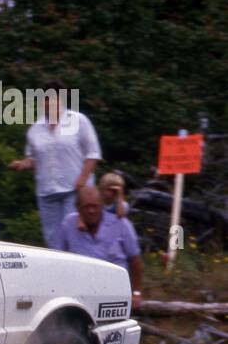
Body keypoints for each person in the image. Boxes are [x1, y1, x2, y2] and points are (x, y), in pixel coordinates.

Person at [8, 79, 102, 249]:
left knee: (74, 233)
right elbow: (34, 159)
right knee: (52, 238)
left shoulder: (79, 121)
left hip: (73, 189)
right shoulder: (35, 129)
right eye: (45, 98)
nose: (49, 102)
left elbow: (93, 154)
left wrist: (83, 178)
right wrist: (22, 164)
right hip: (47, 192)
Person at [59, 186, 143, 308]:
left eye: (95, 206)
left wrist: (136, 293)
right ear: (78, 208)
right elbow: (59, 257)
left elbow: (135, 260)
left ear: (102, 206)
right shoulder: (69, 223)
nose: (91, 211)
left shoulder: (121, 223)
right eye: (86, 207)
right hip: (80, 293)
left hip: (114, 293)